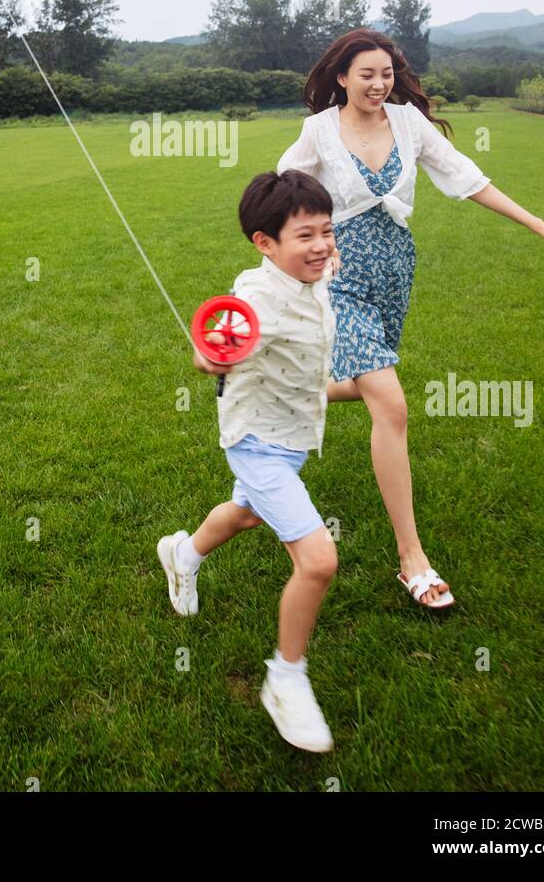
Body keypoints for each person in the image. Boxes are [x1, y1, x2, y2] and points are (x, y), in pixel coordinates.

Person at [277, 28, 544, 609]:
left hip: (395, 268)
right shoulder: (318, 131)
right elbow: (282, 190)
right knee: (391, 404)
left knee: (368, 384)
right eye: (366, 74)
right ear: (341, 78)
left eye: (387, 73)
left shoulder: (408, 124)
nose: (379, 83)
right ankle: (412, 560)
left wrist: (538, 223)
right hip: (339, 275)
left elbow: (466, 178)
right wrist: (278, 262)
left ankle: (296, 389)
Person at [158, 170, 343, 753]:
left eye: (327, 232)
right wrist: (210, 358)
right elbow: (219, 337)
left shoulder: (316, 275)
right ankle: (285, 680)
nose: (321, 246)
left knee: (246, 514)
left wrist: (355, 387)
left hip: (292, 438)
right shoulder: (256, 299)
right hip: (257, 440)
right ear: (265, 243)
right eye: (305, 236)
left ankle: (181, 554)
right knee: (317, 561)